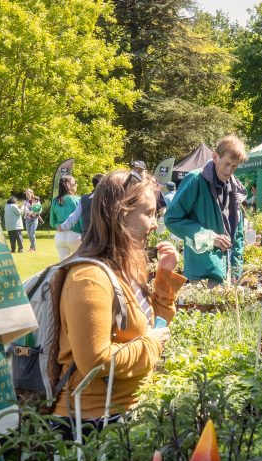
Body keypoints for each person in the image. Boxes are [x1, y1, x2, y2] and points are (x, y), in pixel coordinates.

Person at [49, 168, 186, 421]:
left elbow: (156, 324)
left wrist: (165, 277)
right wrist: (152, 344)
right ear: (120, 214)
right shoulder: (89, 279)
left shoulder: (122, 267)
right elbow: (95, 362)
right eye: (148, 213)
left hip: (126, 412)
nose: (154, 224)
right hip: (93, 423)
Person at [165, 134, 249, 284]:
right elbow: (172, 220)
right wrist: (209, 238)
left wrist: (236, 270)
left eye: (234, 166)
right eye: (226, 163)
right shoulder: (195, 179)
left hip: (228, 274)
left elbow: (238, 234)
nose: (229, 170)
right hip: (202, 273)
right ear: (215, 156)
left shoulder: (236, 188)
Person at [58, 173, 103, 238]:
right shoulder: (111, 198)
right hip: (100, 237)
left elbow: (74, 216)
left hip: (87, 237)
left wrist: (62, 226)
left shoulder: (83, 199)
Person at [50, 175, 81, 260]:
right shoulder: (77, 200)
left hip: (59, 237)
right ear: (68, 185)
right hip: (75, 236)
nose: (76, 185)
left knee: (63, 264)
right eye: (74, 183)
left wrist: (58, 226)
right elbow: (81, 220)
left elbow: (52, 222)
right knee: (79, 263)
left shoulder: (55, 201)